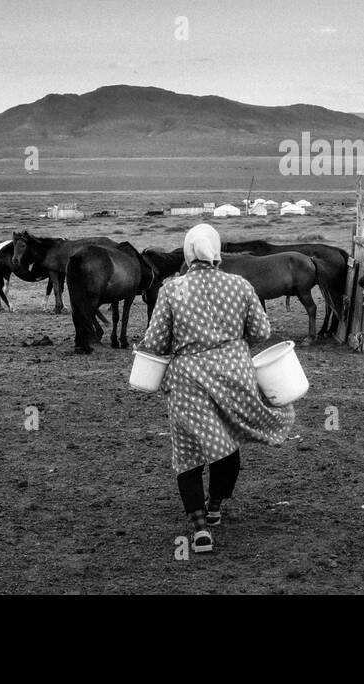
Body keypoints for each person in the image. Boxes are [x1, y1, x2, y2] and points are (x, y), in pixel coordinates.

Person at [138, 223, 296, 553]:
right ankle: (215, 507)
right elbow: (261, 331)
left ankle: (199, 530)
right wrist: (230, 344)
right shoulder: (240, 285)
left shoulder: (171, 290)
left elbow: (155, 342)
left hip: (188, 380)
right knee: (227, 443)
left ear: (187, 252)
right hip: (235, 375)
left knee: (188, 451)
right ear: (216, 251)